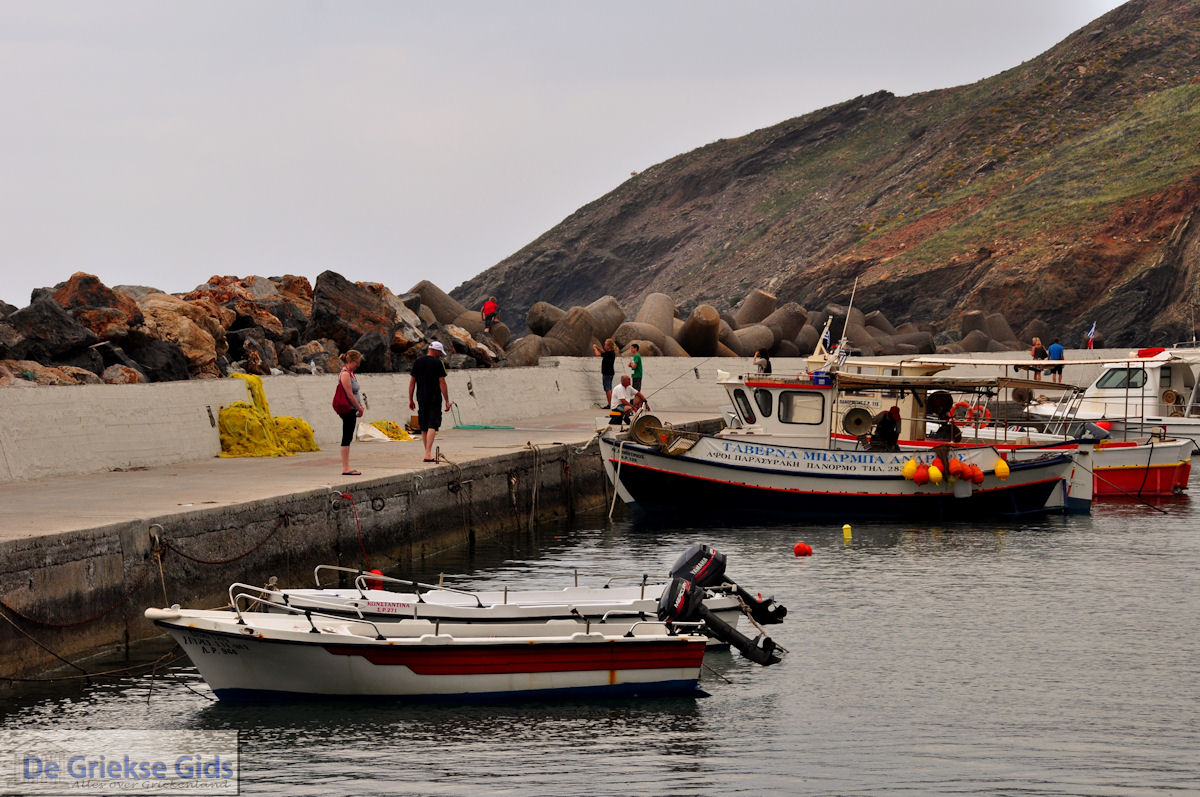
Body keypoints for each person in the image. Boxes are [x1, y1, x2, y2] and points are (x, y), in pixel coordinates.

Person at [408, 341, 451, 463]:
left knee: (424, 424)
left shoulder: (417, 362)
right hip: (434, 397)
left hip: (421, 397)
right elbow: (442, 382)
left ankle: (427, 452)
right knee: (433, 424)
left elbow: (412, 383)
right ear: (436, 351)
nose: (440, 355)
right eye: (440, 353)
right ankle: (428, 453)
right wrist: (447, 400)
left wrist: (410, 399)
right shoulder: (438, 363)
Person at [336, 350, 366, 475]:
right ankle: (345, 467)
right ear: (350, 361)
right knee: (346, 437)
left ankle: (347, 465)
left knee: (348, 436)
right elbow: (349, 394)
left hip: (352, 409)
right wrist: (359, 407)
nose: (358, 365)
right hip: (348, 409)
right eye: (356, 362)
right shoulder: (345, 374)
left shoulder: (351, 373)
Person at [592, 338, 617, 407]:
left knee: (607, 389)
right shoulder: (611, 352)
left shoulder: (609, 353)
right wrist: (598, 347)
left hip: (607, 373)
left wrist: (595, 348)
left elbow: (598, 354)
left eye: (605, 345)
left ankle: (610, 404)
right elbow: (603, 352)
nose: (604, 346)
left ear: (609, 346)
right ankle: (612, 403)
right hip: (610, 372)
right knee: (609, 388)